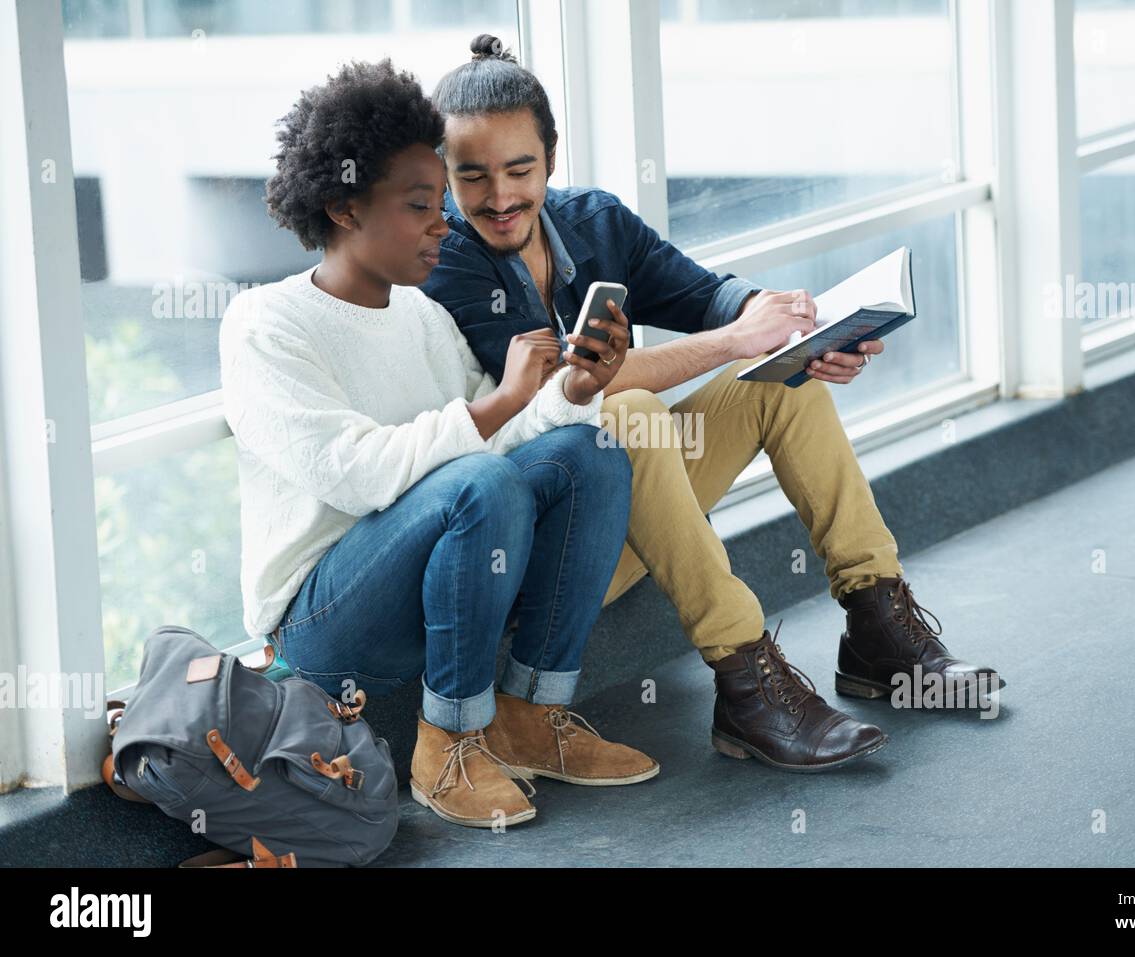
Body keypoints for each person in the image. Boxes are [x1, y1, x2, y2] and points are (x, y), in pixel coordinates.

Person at [421, 36, 1005, 773]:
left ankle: (878, 629)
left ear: (552, 158)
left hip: (628, 520)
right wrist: (734, 340)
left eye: (519, 170)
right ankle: (745, 679)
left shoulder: (594, 221)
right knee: (626, 413)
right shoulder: (444, 261)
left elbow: (707, 295)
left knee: (780, 385)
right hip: (538, 560)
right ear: (444, 172)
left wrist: (794, 326)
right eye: (472, 176)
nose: (500, 197)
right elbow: (565, 388)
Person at [218, 58, 656, 831]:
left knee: (587, 453)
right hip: (324, 624)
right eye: (420, 204)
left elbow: (506, 436)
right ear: (344, 207)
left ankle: (529, 715)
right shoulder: (266, 324)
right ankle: (446, 743)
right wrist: (499, 401)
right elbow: (359, 473)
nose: (443, 223)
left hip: (438, 582)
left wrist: (572, 391)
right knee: (478, 483)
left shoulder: (421, 315)